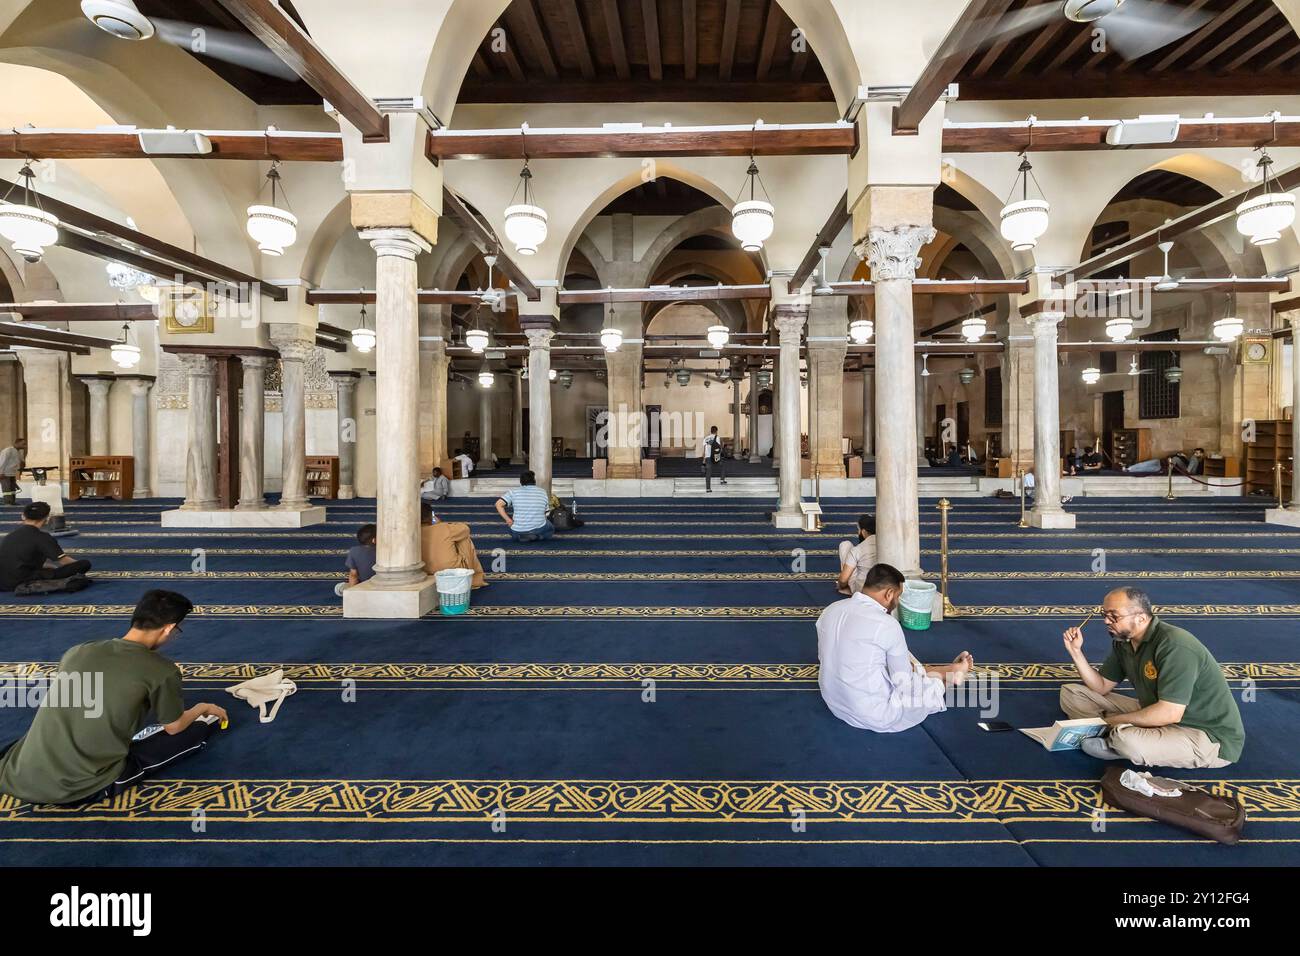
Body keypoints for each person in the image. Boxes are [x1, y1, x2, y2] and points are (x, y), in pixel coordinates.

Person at [0, 589, 227, 806]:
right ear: (168, 629)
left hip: (18, 774)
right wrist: (201, 707)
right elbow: (174, 727)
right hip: (80, 786)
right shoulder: (162, 670)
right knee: (196, 731)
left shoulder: (78, 650)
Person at [1060, 586, 1244, 768]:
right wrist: (1076, 652)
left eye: (1114, 616)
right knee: (1072, 693)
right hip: (1157, 710)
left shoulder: (1175, 645)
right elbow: (1101, 687)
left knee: (1128, 741)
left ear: (1140, 617)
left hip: (1204, 734)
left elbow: (1170, 713)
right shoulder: (1124, 641)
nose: (1107, 621)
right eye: (1104, 615)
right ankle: (1116, 732)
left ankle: (1115, 739)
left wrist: (1107, 722)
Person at [817, 563, 975, 733]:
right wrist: (932, 684)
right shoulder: (886, 624)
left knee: (900, 656)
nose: (897, 602)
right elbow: (904, 684)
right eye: (898, 596)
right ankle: (949, 676)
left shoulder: (830, 610)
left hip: (834, 703)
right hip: (872, 713)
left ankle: (949, 669)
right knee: (920, 687)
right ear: (889, 593)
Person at [0, 501, 92, 592]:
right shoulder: (42, 537)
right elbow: (64, 561)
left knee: (48, 566)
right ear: (47, 519)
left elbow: (20, 558)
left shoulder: (10, 536)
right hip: (22, 581)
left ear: (23, 516)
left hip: (3, 582)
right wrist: (77, 565)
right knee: (84, 564)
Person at [420, 503, 486, 587]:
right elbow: (465, 528)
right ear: (431, 516)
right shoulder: (444, 528)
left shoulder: (411, 533)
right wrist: (439, 523)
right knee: (463, 538)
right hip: (451, 569)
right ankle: (474, 578)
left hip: (423, 569)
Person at [495, 470, 553, 542]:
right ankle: (536, 536)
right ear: (534, 480)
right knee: (550, 526)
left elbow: (498, 504)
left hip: (517, 531)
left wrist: (509, 520)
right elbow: (546, 513)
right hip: (538, 530)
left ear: (521, 481)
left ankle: (524, 536)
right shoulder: (542, 491)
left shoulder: (513, 492)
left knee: (512, 530)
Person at [836, 514, 877, 596]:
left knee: (845, 545)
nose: (858, 532)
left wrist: (840, 586)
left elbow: (843, 580)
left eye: (858, 530)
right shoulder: (886, 545)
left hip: (862, 591)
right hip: (882, 589)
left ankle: (849, 589)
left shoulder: (858, 549)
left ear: (864, 531)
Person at [343, 524, 377, 588]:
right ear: (374, 540)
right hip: (380, 585)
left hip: (362, 586)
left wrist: (352, 590)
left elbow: (353, 575)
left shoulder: (354, 550)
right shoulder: (383, 551)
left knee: (340, 587)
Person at [701, 425, 727, 492]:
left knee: (708, 473)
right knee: (723, 464)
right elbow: (718, 449)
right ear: (716, 431)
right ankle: (722, 480)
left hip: (707, 457)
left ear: (711, 431)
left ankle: (708, 488)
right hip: (715, 457)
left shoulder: (705, 438)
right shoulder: (717, 437)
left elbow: (704, 451)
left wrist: (703, 461)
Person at [0, 437, 25, 505]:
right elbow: (2, 462)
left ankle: (12, 501)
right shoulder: (8, 450)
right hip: (5, 474)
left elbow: (20, 461)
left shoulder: (17, 452)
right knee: (7, 489)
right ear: (17, 443)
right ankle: (7, 502)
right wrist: (1, 473)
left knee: (12, 489)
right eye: (23, 444)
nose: (24, 446)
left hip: (12, 473)